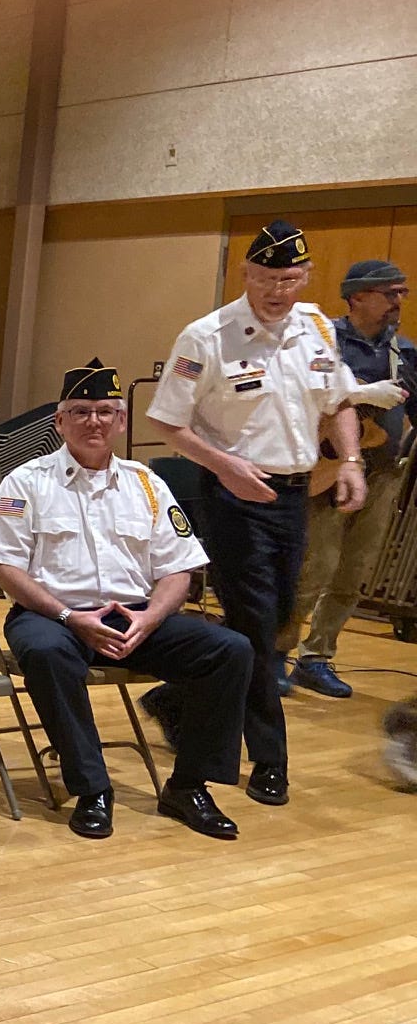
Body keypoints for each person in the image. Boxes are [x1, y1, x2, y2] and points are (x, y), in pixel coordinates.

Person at [0, 361, 252, 839]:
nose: (94, 421)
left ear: (121, 421)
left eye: (105, 411)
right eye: (80, 412)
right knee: (45, 652)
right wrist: (68, 616)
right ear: (59, 422)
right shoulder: (27, 481)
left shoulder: (147, 484)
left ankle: (188, 786)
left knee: (230, 650)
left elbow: (178, 569)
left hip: (136, 618)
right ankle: (92, 789)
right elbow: (4, 568)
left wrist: (151, 618)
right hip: (52, 615)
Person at [146, 221, 367, 808]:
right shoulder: (208, 336)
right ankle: (270, 759)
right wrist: (224, 466)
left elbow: (339, 401)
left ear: (306, 277)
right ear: (245, 274)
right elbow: (167, 421)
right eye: (266, 279)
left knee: (278, 619)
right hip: (234, 495)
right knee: (258, 625)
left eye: (289, 279)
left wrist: (350, 460)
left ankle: (178, 695)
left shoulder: (316, 327)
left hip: (295, 495)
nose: (277, 291)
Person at [280, 259, 412, 698]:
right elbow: (300, 394)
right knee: (314, 567)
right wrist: (360, 391)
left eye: (402, 293)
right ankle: (275, 654)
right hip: (324, 470)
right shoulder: (323, 339)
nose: (399, 301)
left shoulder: (404, 352)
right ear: (357, 296)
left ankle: (317, 657)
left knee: (355, 570)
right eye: (390, 293)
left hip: (382, 474)